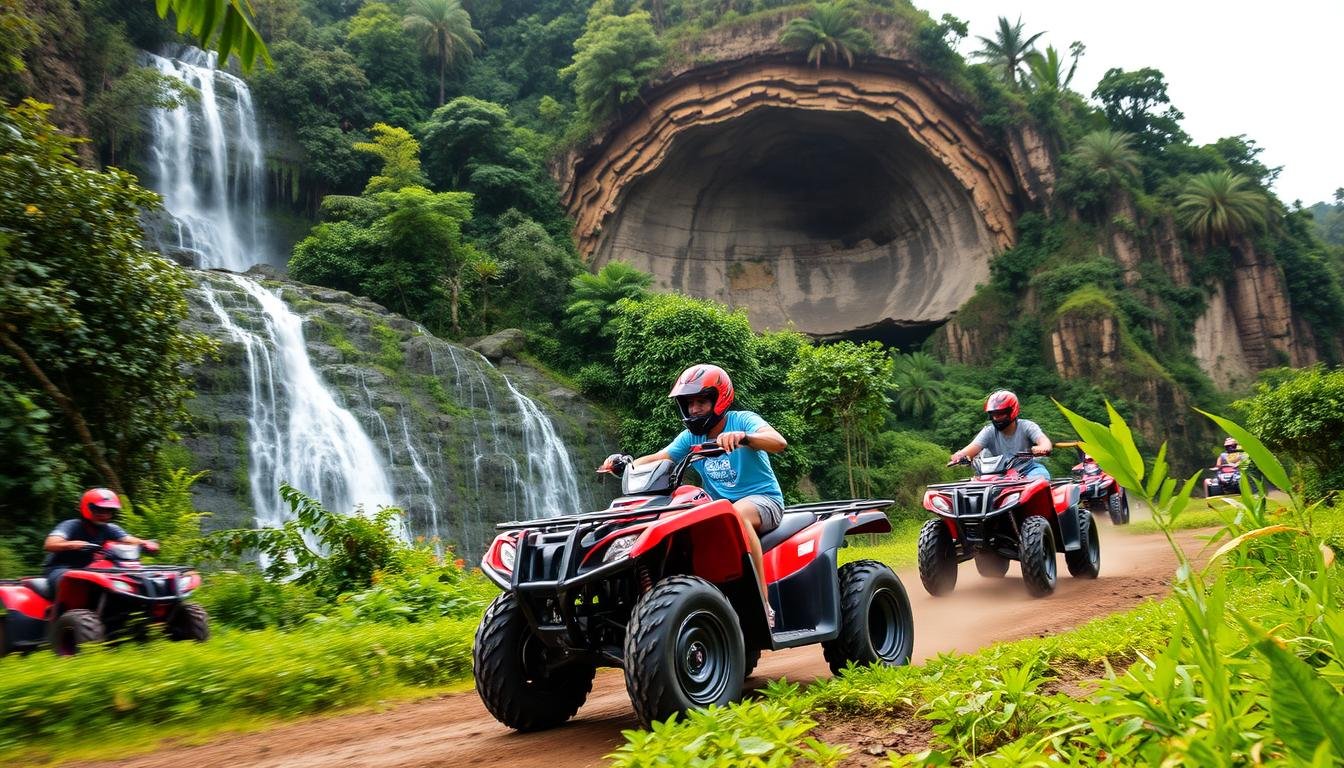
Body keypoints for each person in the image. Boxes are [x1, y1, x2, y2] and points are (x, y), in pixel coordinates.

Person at [602, 364, 788, 628]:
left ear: (719, 398)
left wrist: (745, 437)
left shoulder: (742, 420)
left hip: (763, 501)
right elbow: (659, 458)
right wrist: (624, 463)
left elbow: (778, 442)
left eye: (702, 401)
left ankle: (763, 604)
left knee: (736, 515)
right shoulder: (691, 436)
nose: (695, 409)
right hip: (718, 508)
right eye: (690, 403)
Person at [43, 488, 152, 590]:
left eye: (108, 511)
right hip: (60, 568)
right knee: (77, 584)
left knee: (122, 581)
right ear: (87, 508)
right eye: (99, 510)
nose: (104, 515)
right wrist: (73, 544)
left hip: (91, 569)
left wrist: (146, 543)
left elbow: (128, 539)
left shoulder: (110, 528)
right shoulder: (71, 525)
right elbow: (50, 544)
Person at [947, 390, 1053, 480]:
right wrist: (959, 456)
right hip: (998, 474)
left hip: (1027, 470)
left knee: (1041, 478)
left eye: (1000, 414)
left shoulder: (1027, 426)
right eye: (993, 414)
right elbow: (971, 449)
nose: (996, 418)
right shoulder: (989, 431)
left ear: (1012, 412)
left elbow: (1044, 442)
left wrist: (1042, 448)